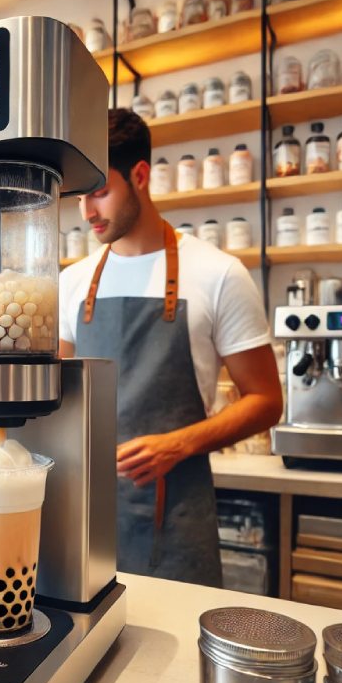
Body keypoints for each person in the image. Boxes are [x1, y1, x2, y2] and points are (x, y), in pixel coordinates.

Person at [59, 109, 282, 588]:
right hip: (85, 515)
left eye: (99, 192)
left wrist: (178, 444)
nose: (87, 211)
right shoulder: (72, 282)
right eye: (80, 196)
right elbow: (59, 397)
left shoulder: (218, 274)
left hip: (176, 515)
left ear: (140, 176)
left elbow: (266, 400)